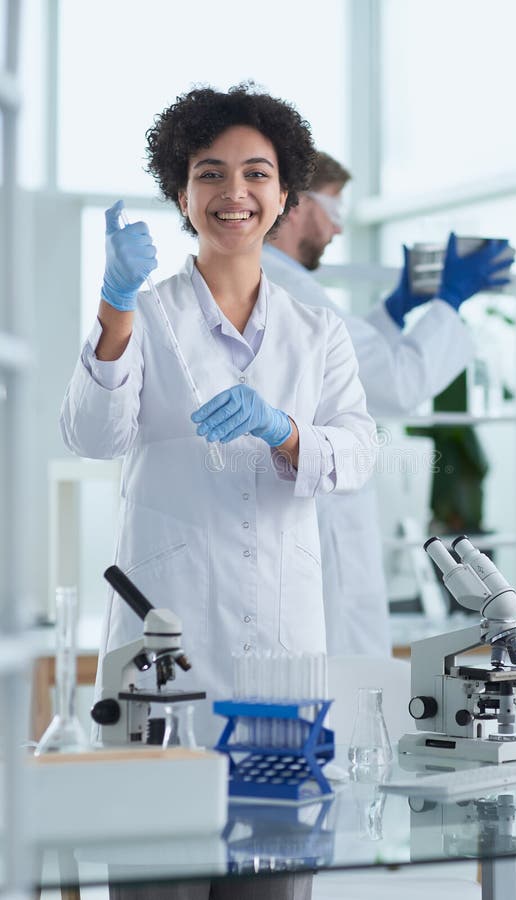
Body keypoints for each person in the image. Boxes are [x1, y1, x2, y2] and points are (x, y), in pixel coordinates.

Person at [60, 83, 376, 770]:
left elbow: (357, 455)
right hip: (166, 632)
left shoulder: (318, 332)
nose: (235, 192)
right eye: (210, 174)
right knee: (159, 825)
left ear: (285, 195)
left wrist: (284, 429)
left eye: (256, 174)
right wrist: (115, 305)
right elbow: (92, 437)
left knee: (280, 824)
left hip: (282, 646)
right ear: (182, 196)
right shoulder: (143, 314)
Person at [263, 152, 513, 655]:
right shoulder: (294, 290)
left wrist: (393, 312)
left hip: (306, 509)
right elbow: (397, 385)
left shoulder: (280, 283)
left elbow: (346, 368)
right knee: (344, 667)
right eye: (335, 209)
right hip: (319, 516)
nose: (338, 228)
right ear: (297, 204)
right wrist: (450, 301)